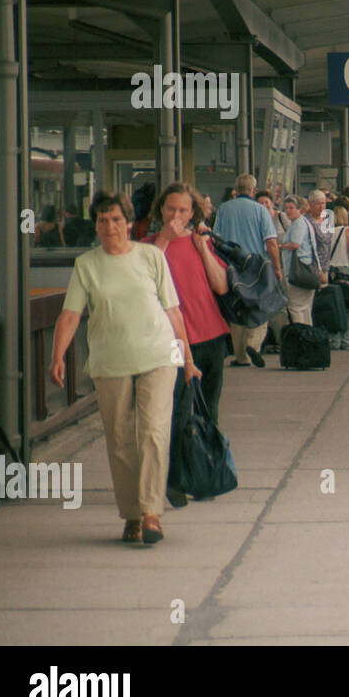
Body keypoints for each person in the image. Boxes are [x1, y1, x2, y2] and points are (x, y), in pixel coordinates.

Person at [49, 190, 199, 545]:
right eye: (102, 219)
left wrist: (188, 361)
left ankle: (151, 513)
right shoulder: (86, 264)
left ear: (130, 223)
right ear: (96, 225)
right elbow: (70, 314)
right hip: (110, 361)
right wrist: (57, 356)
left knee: (153, 432)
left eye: (117, 219)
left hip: (159, 356)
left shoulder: (150, 257)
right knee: (119, 439)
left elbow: (173, 311)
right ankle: (131, 514)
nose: (110, 226)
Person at [142, 182, 231, 508]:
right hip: (173, 343)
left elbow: (221, 286)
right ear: (160, 211)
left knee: (209, 409)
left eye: (183, 210)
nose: (176, 216)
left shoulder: (200, 243)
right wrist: (164, 239)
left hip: (211, 335)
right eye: (170, 209)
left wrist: (204, 247)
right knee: (177, 413)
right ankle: (174, 479)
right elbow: (146, 282)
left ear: (193, 213)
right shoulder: (148, 247)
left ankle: (205, 471)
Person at [213, 173, 282, 365]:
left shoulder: (224, 209)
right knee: (262, 304)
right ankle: (253, 343)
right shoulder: (260, 210)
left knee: (237, 310)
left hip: (230, 265)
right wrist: (277, 268)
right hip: (256, 265)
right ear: (253, 190)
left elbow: (216, 239)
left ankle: (241, 356)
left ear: (236, 189)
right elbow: (271, 243)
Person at [279, 195, 320, 325]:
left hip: (297, 271)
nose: (288, 211)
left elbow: (294, 244)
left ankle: (301, 335)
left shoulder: (298, 223)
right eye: (286, 208)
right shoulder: (305, 223)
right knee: (306, 308)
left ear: (299, 209)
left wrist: (280, 246)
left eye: (291, 208)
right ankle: (308, 336)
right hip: (308, 269)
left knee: (295, 307)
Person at [327, 204, 349, 350]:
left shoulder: (327, 231)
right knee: (348, 306)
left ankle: (334, 340)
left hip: (331, 271)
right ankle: (347, 340)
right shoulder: (347, 230)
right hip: (345, 269)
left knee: (334, 305)